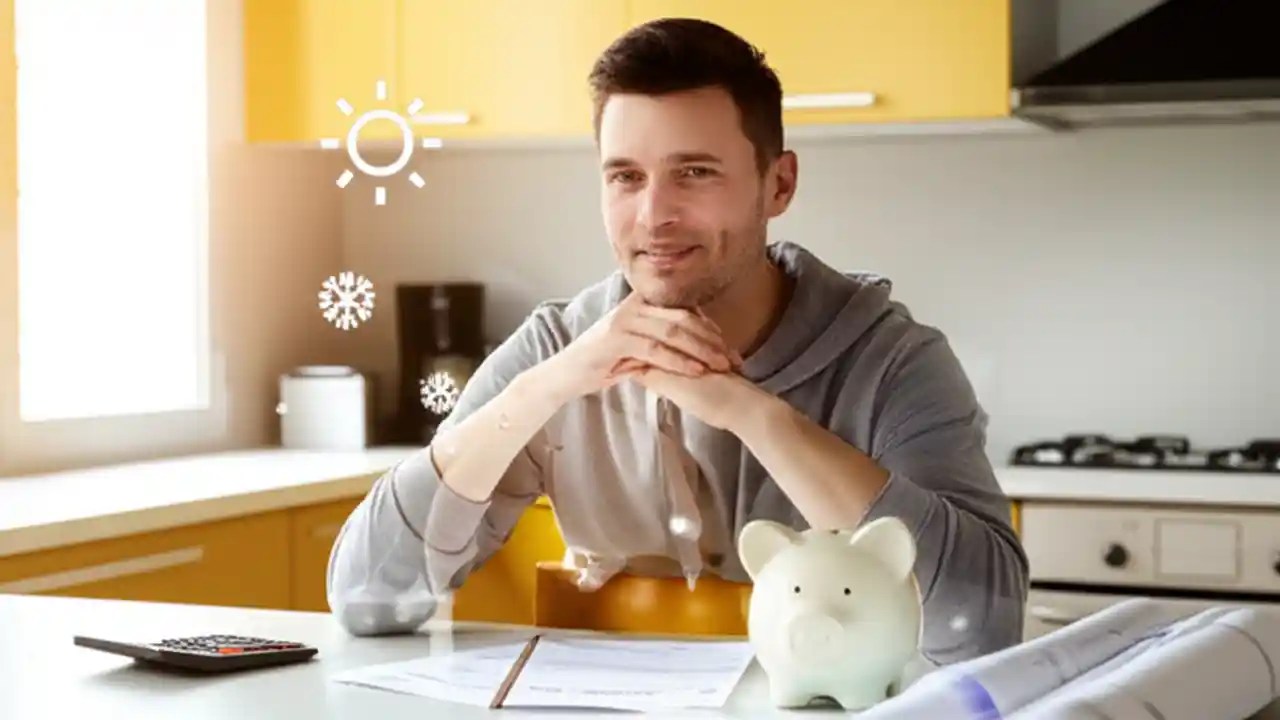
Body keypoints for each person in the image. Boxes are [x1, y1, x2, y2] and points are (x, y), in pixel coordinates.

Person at [326, 17, 1029, 664]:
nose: (654, 215)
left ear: (777, 184)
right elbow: (366, 601)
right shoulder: (560, 349)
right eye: (625, 177)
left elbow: (979, 628)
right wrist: (544, 390)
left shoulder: (893, 361)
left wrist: (751, 413)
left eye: (694, 173)